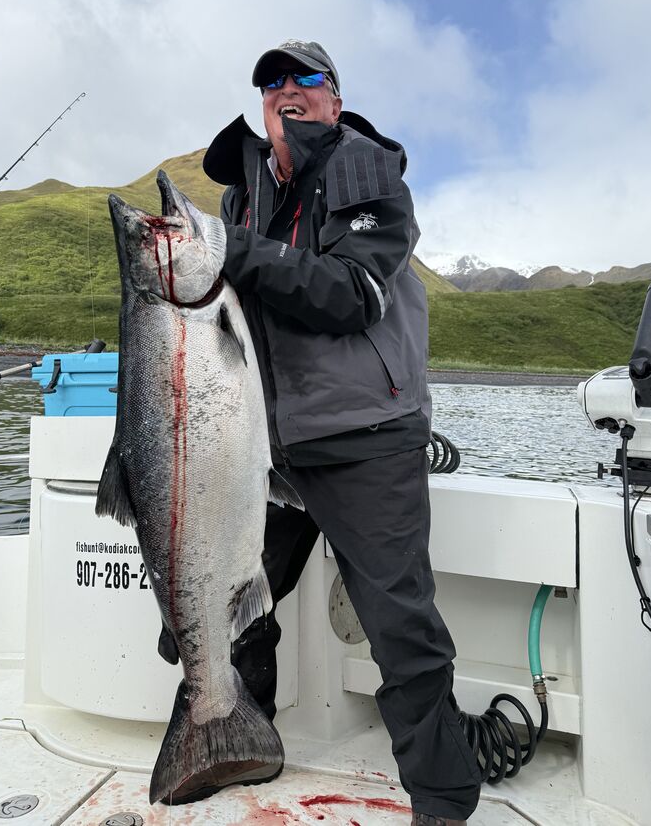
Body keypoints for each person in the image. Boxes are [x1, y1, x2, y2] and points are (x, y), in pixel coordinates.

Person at [202, 40, 481, 825]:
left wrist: (235, 251)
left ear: (333, 95)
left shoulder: (366, 172)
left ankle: (442, 800)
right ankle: (234, 742)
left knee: (401, 628)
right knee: (227, 605)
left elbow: (350, 294)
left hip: (366, 438)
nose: (287, 90)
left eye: (305, 79)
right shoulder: (241, 196)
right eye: (271, 82)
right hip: (268, 447)